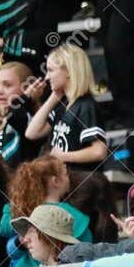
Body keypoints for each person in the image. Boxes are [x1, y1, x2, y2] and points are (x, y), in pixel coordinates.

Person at [25, 43, 109, 176]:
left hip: (84, 185)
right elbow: (31, 133)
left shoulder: (86, 106)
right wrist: (54, 97)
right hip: (67, 183)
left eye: (51, 70)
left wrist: (63, 156)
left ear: (69, 71)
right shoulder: (61, 105)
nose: (47, 77)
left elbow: (99, 151)